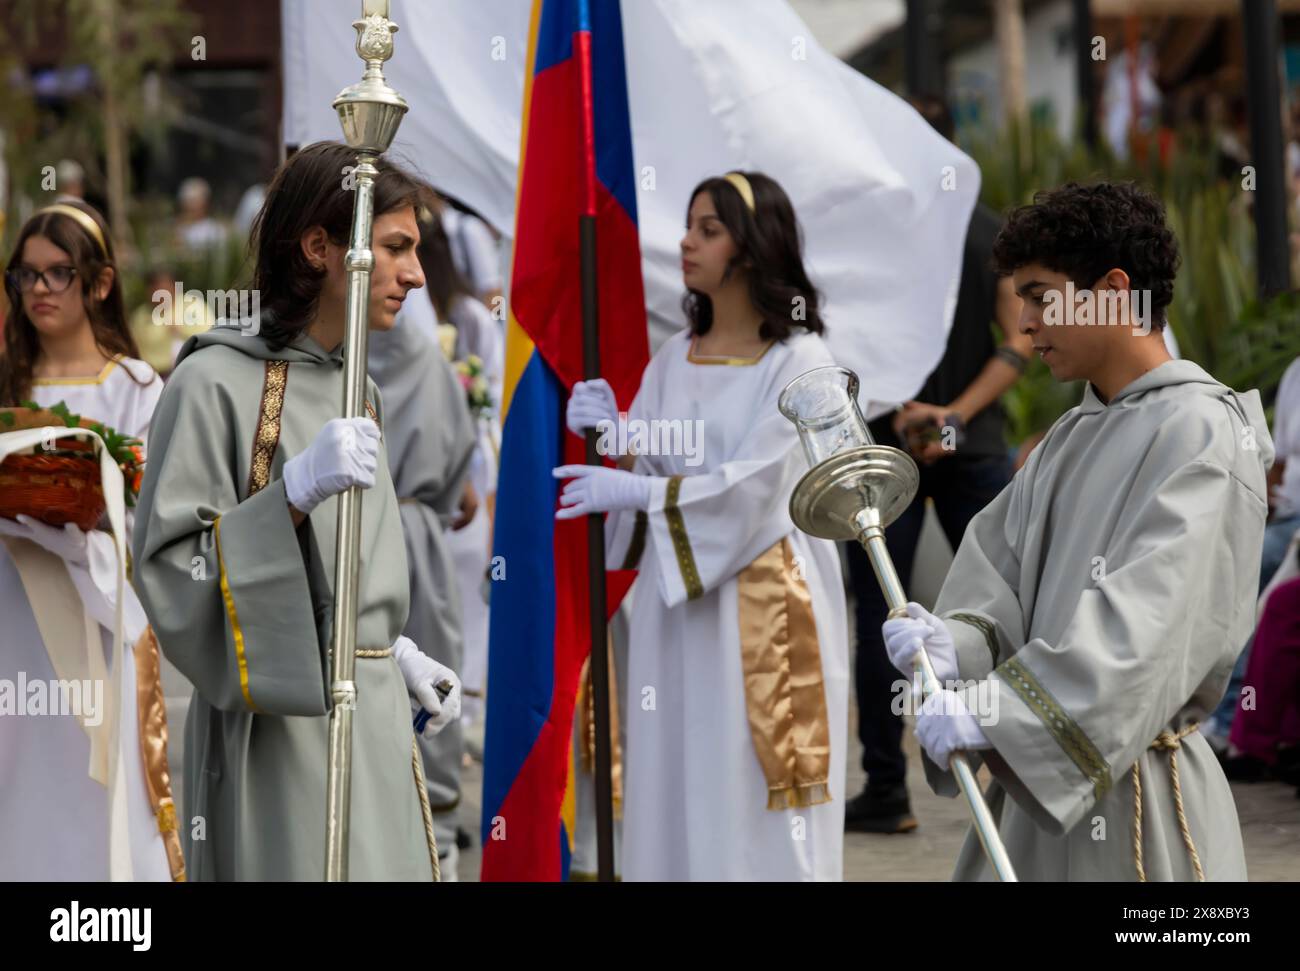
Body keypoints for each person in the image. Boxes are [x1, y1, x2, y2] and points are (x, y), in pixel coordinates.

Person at [882, 181, 1272, 881]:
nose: (1025, 323)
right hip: (1033, 802)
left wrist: (994, 715)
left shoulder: (1204, 430)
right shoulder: (1067, 436)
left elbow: (1149, 624)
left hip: (1143, 806)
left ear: (1114, 289)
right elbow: (998, 585)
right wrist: (953, 646)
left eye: (1039, 294)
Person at [132, 141, 462, 881]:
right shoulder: (212, 382)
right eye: (396, 247)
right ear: (320, 246)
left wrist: (391, 649)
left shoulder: (360, 387)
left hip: (375, 717)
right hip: (279, 731)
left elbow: (350, 568)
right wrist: (289, 498)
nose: (415, 273)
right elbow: (170, 567)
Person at [556, 171, 849, 880]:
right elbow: (659, 463)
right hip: (678, 609)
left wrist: (640, 488)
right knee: (677, 775)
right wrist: (615, 434)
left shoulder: (801, 361)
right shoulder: (673, 354)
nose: (686, 241)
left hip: (764, 607)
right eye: (690, 225)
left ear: (751, 248)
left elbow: (763, 484)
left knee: (749, 789)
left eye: (708, 229)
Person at [845, 94, 1032, 835]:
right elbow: (1018, 341)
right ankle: (1029, 760)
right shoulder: (985, 233)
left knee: (882, 616)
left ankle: (886, 789)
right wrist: (953, 417)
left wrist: (917, 415)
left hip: (894, 444)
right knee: (1012, 600)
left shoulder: (871, 239)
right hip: (963, 440)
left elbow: (842, 339)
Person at [0, 200, 178, 880]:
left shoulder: (134, 388)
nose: (39, 289)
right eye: (26, 275)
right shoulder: (6, 380)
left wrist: (87, 523)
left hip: (95, 613)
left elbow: (153, 510)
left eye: (58, 273)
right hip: (10, 607)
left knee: (92, 781)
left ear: (101, 283)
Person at [368, 305, 477, 879]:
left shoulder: (340, 357)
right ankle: (440, 845)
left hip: (360, 531)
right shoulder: (429, 362)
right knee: (433, 689)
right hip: (419, 536)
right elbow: (460, 467)